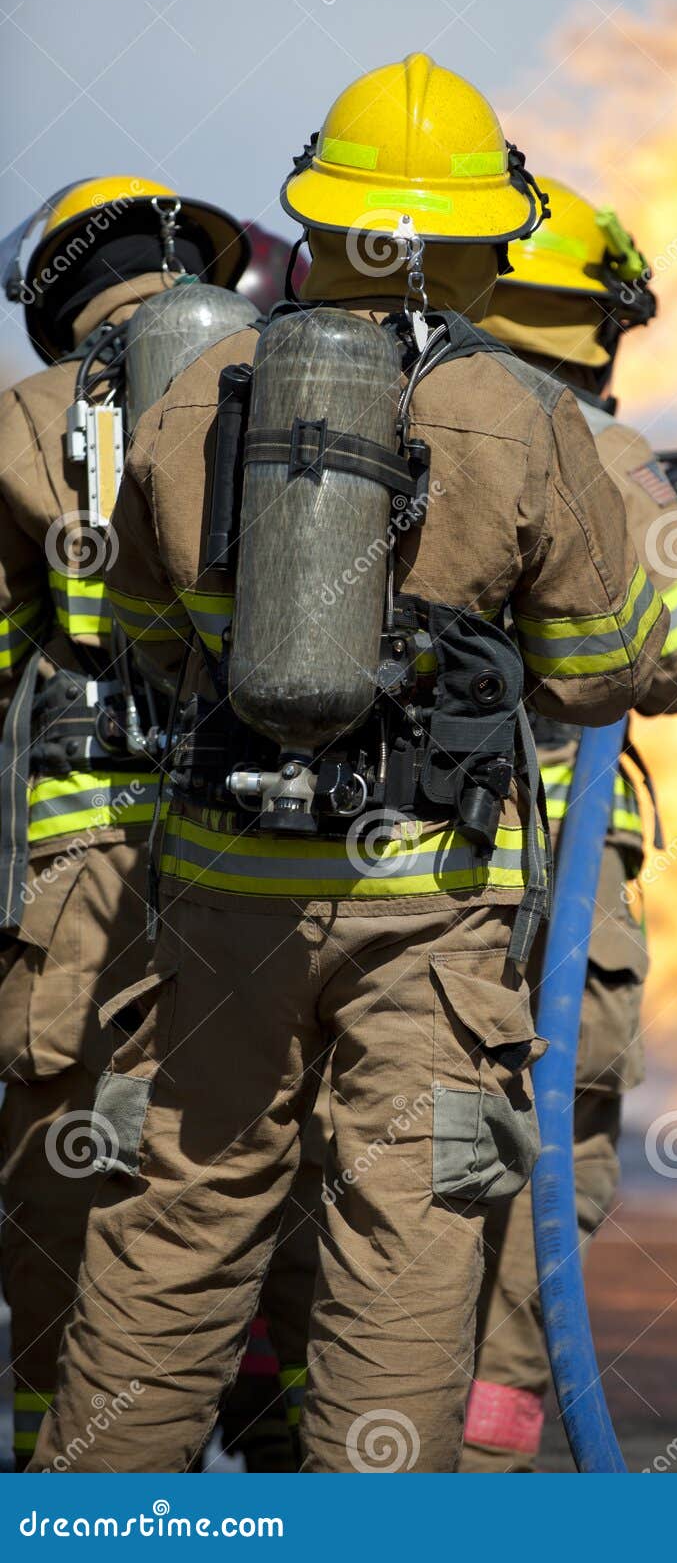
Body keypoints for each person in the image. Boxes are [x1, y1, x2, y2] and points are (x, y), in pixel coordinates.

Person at [30, 54, 668, 1474]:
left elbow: (140, 626)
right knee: (403, 1249)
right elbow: (601, 667)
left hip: (212, 898)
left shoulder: (198, 388)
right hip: (427, 909)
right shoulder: (526, 420)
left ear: (315, 228)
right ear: (479, 244)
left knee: (175, 1227)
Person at [461, 178, 677, 1471]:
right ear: (591, 318)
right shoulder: (593, 446)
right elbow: (675, 656)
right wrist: (676, 528)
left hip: (360, 889)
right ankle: (480, 1487)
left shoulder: (387, 410)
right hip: (546, 898)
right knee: (530, 1194)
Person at [0, 176, 248, 1467]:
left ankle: (76, 1481)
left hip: (84, 883)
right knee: (259, 1170)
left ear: (53, 292)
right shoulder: (304, 389)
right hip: (287, 870)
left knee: (68, 1180)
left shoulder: (26, 425)